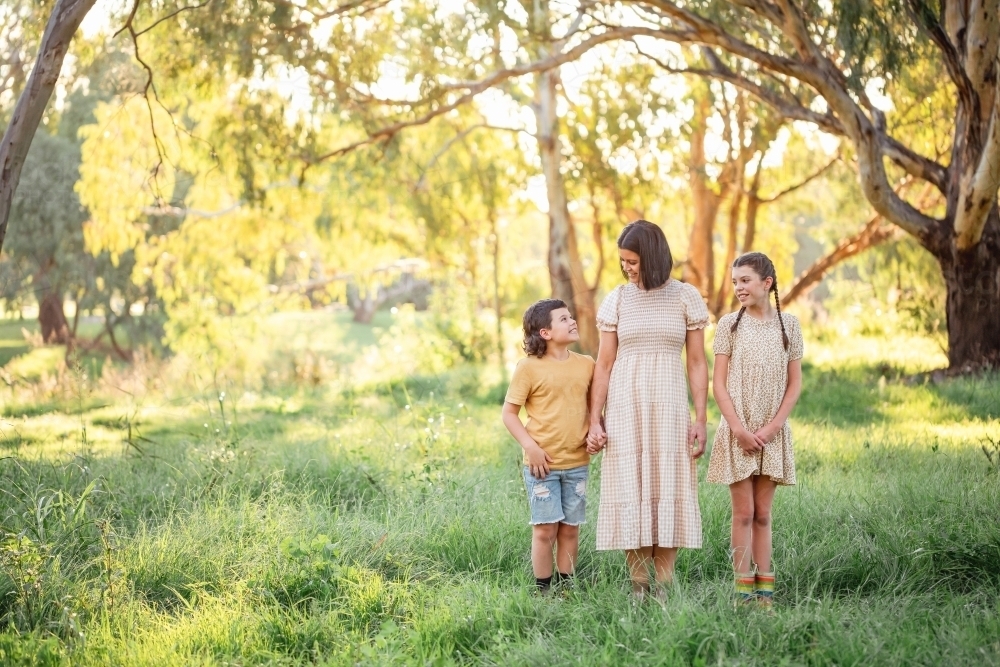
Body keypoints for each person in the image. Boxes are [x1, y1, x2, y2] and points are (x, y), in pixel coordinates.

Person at [586, 220, 710, 600]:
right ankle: (638, 585)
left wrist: (701, 418)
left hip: (670, 405)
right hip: (625, 405)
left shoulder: (685, 297)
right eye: (623, 261)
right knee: (630, 484)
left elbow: (696, 362)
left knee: (668, 484)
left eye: (633, 260)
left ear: (653, 256)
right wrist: (595, 417)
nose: (627, 267)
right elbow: (604, 363)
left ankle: (665, 585)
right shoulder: (618, 300)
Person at [707, 252, 803, 606]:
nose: (738, 288)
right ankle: (742, 593)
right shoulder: (728, 325)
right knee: (743, 513)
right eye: (734, 282)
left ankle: (765, 596)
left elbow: (795, 384)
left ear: (767, 283)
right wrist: (739, 429)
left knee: (763, 515)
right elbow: (718, 384)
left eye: (745, 280)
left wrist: (774, 427)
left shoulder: (788, 325)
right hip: (738, 431)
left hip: (772, 433)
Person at [502, 299, 595, 592]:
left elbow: (594, 410)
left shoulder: (587, 364)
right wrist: (530, 447)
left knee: (570, 529)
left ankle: (566, 590)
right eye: (564, 319)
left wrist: (597, 430)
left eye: (571, 316)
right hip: (542, 466)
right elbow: (509, 413)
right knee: (545, 530)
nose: (572, 321)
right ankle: (543, 590)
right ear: (545, 332)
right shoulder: (528, 368)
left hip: (577, 463)